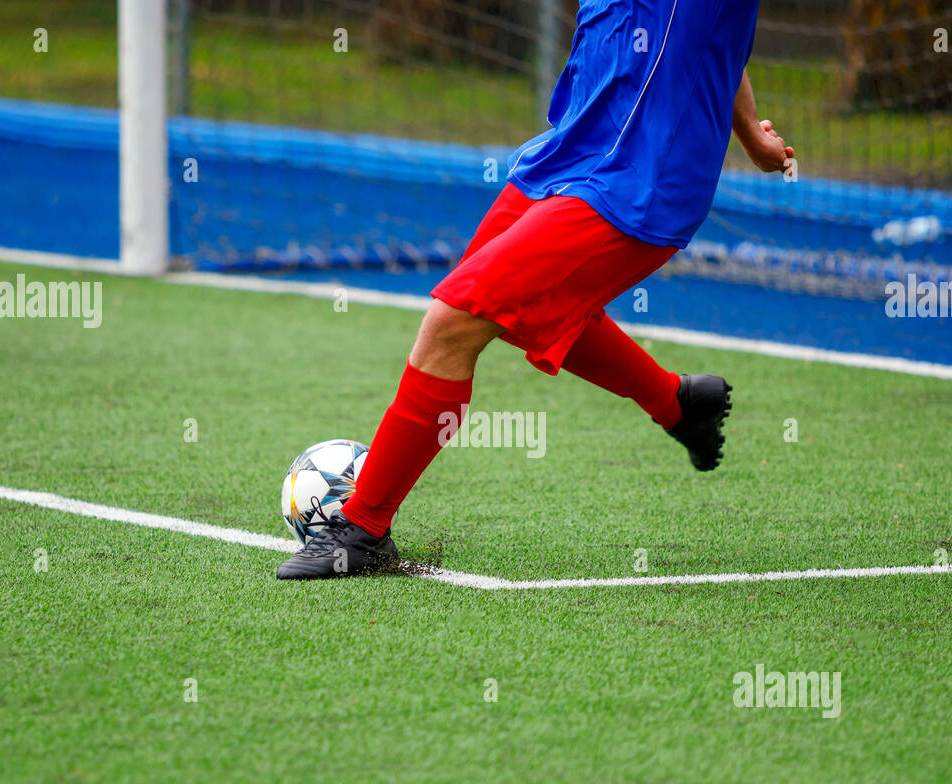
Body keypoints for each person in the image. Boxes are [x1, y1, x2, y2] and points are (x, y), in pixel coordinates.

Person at [278, 0, 793, 580]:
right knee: (521, 311)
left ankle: (362, 531)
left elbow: (717, 25)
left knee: (455, 320)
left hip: (640, 179)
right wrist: (748, 128)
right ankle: (678, 404)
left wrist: (746, 130)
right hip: (569, 154)